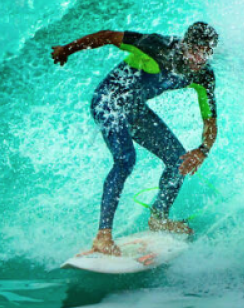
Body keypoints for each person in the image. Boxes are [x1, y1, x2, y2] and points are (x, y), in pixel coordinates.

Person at [51, 22, 218, 257]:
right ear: (184, 44)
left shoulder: (204, 76)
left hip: (134, 109)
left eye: (205, 52)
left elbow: (210, 123)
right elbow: (108, 35)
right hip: (108, 101)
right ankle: (103, 236)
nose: (199, 59)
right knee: (125, 160)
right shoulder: (158, 46)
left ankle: (159, 218)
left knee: (177, 160)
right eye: (195, 50)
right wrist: (67, 49)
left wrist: (202, 150)